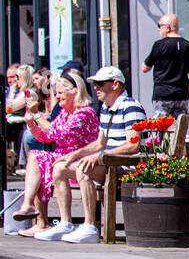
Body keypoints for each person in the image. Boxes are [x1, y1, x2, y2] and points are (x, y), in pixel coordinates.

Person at [37, 66, 146, 243]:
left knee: (84, 168)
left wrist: (98, 156)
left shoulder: (130, 107)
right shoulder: (105, 108)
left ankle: (89, 227)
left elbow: (133, 145)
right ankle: (66, 223)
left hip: (127, 166)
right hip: (110, 162)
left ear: (116, 85)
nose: (96, 88)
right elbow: (99, 143)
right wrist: (75, 154)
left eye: (101, 84)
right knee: (59, 168)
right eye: (95, 84)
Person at [11, 72, 100, 236]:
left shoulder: (85, 113)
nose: (57, 97)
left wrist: (37, 115)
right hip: (63, 159)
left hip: (80, 161)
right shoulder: (65, 113)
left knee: (41, 161)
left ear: (74, 91)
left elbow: (60, 134)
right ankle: (33, 211)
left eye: (60, 93)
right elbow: (45, 137)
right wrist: (31, 121)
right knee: (36, 156)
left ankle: (40, 217)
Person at [141, 13, 189, 117]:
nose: (158, 30)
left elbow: (145, 68)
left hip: (162, 95)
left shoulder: (159, 45)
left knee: (162, 129)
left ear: (167, 28)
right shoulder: (187, 45)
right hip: (181, 95)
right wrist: (187, 93)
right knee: (180, 129)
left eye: (160, 26)